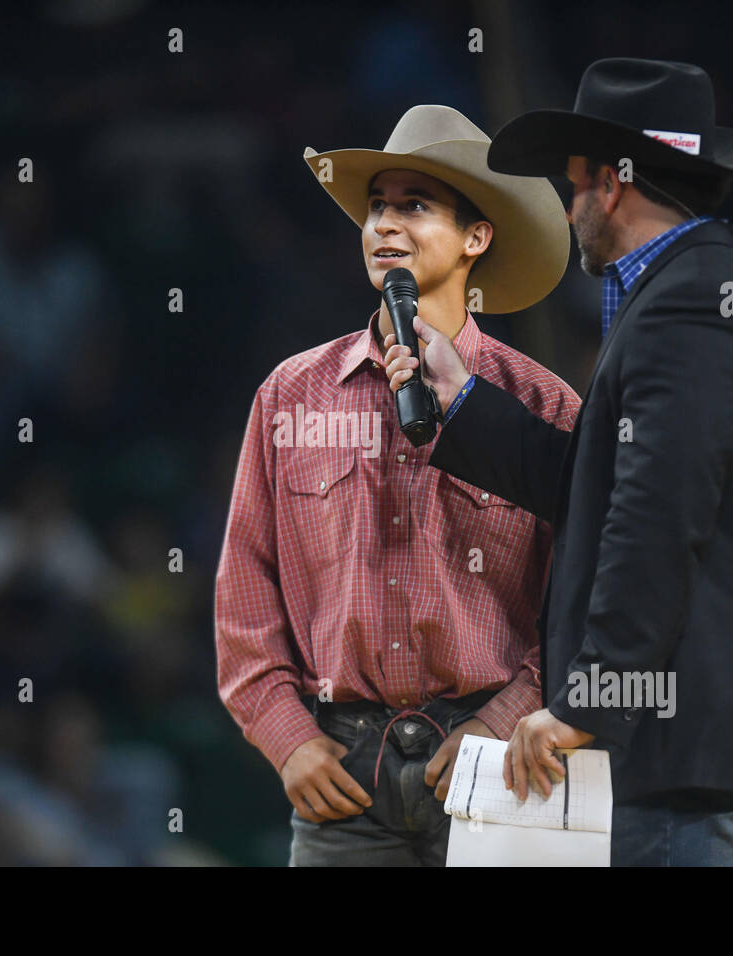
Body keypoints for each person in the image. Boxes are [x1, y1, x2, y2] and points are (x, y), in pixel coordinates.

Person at [384, 59, 733, 865]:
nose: (567, 206)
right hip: (699, 753)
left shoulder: (690, 302)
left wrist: (592, 695)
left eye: (570, 185)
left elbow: (657, 516)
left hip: (681, 754)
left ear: (609, 183)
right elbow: (604, 487)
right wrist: (462, 399)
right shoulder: (703, 290)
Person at [215, 104, 576, 865]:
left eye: (414, 204)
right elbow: (246, 585)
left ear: (477, 237)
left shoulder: (544, 405)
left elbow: (588, 597)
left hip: (508, 758)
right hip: (343, 766)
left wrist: (508, 715)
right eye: (377, 205)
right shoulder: (290, 395)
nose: (383, 222)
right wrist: (288, 740)